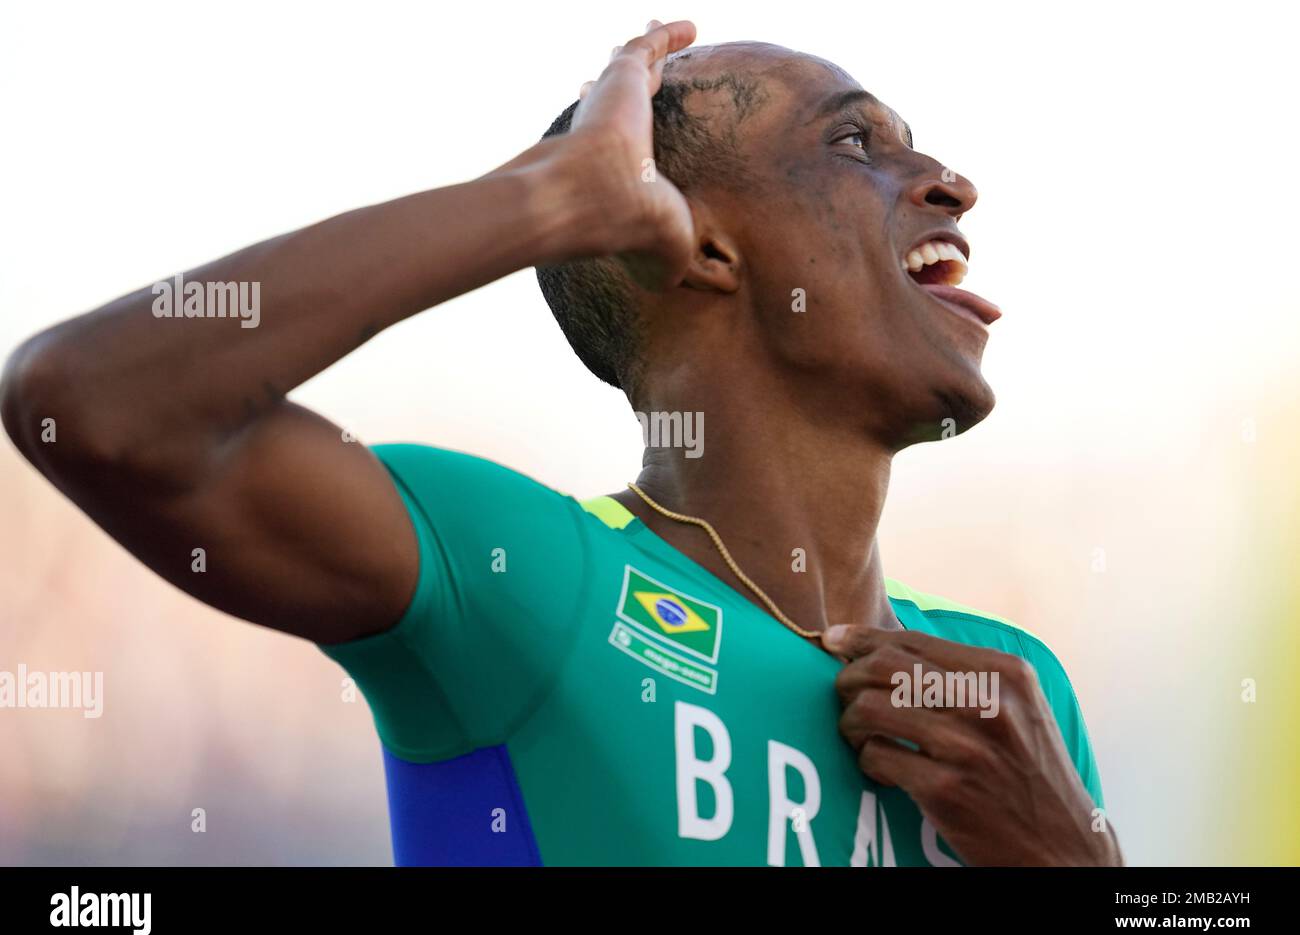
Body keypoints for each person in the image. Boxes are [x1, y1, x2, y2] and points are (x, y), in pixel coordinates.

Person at [0, 19, 1120, 866]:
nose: (949, 183)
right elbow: (88, 401)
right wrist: (547, 200)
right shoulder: (523, 577)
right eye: (853, 142)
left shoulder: (1013, 700)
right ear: (708, 248)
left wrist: (1082, 855)